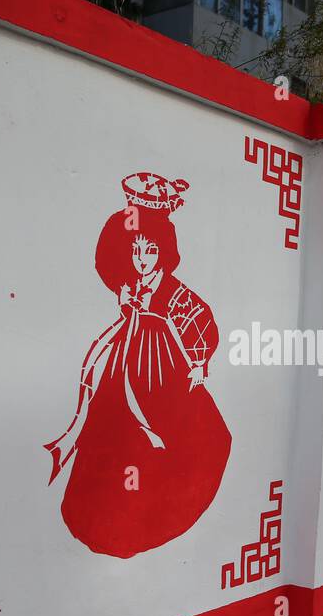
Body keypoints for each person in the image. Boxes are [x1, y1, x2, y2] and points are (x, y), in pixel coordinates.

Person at [45, 173, 231, 558]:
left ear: (163, 252)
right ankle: (96, 518)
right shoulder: (131, 288)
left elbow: (203, 322)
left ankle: (147, 521)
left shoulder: (176, 294)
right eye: (136, 251)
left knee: (166, 443)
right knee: (112, 434)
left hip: (162, 374)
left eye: (150, 252)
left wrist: (198, 362)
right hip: (124, 368)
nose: (141, 259)